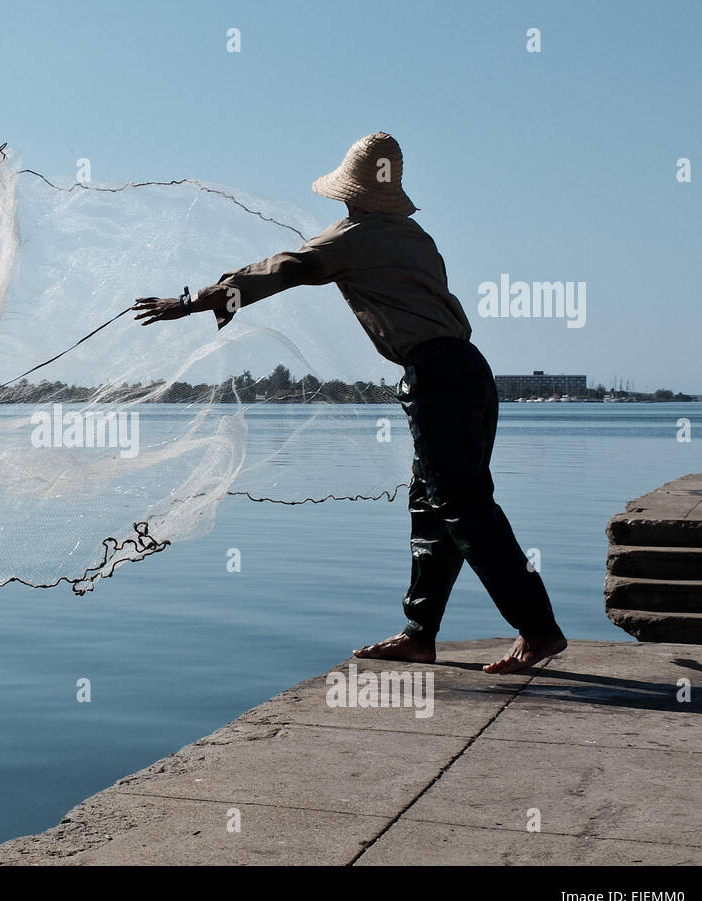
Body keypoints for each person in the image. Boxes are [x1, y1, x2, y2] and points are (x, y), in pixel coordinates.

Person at [131, 132, 567, 675]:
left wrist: (194, 301)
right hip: (468, 371)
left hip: (437, 377)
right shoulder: (417, 237)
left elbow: (285, 268)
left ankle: (539, 629)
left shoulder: (354, 236)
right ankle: (419, 635)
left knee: (463, 509)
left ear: (350, 193)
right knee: (433, 508)